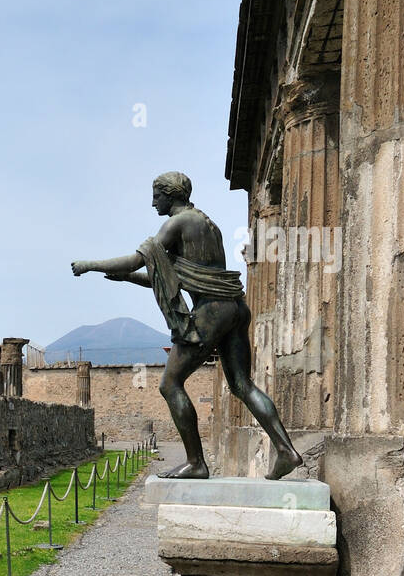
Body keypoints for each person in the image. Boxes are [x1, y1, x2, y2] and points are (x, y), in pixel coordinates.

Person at [70, 171, 302, 480]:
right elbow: (172, 279)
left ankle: (196, 463)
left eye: (157, 195)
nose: (153, 202)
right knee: (242, 385)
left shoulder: (177, 223)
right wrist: (125, 278)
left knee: (170, 384)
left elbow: (135, 261)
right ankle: (287, 450)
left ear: (171, 195)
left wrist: (90, 265)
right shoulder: (208, 225)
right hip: (235, 307)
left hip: (211, 312)